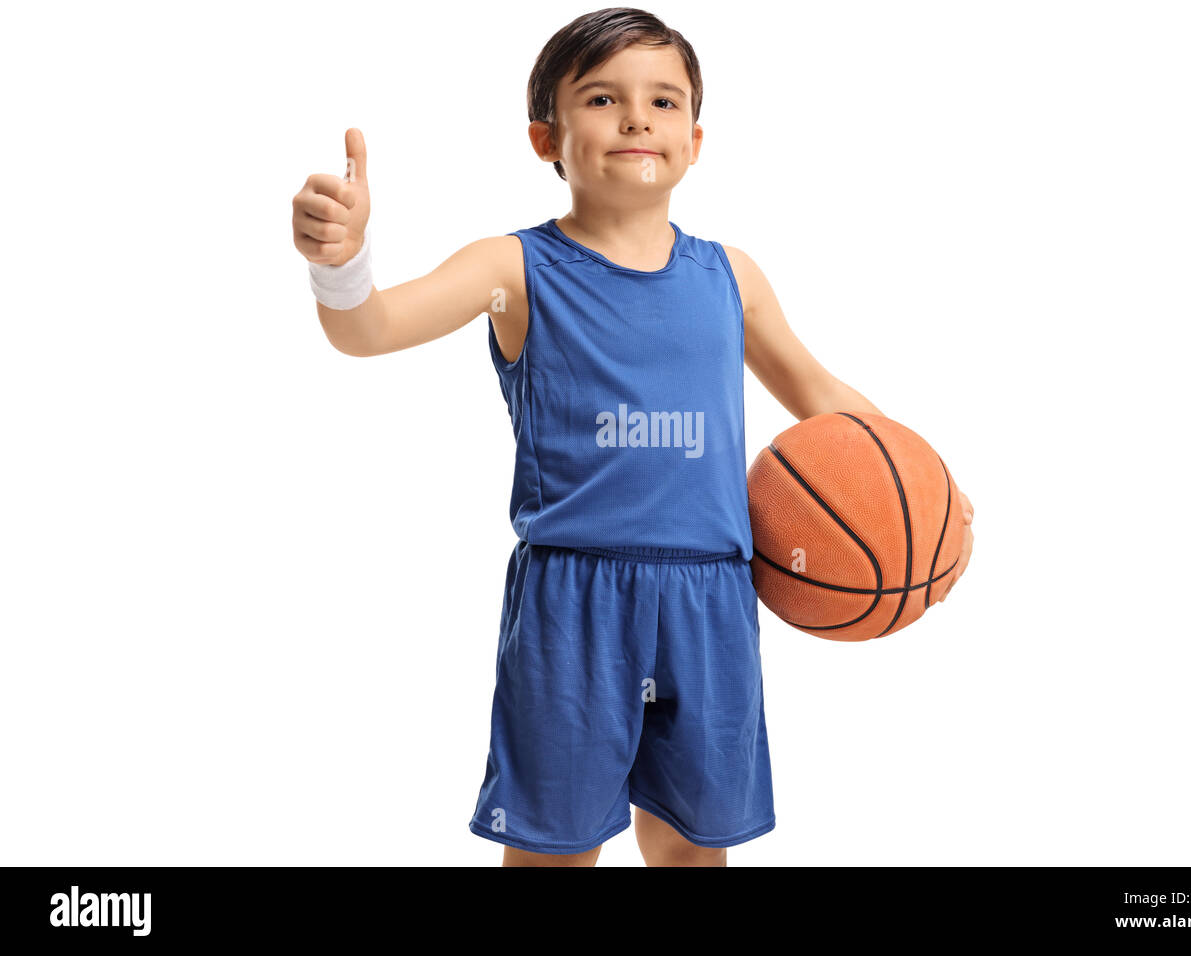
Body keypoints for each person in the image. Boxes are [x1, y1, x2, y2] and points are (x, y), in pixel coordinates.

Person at [290, 7, 975, 867]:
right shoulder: (513, 268)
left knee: (693, 846)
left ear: (696, 137)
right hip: (576, 600)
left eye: (664, 100)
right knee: (555, 848)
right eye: (603, 98)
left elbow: (821, 396)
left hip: (711, 599)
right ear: (546, 137)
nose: (637, 117)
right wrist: (341, 263)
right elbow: (370, 329)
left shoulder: (731, 274)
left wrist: (930, 491)